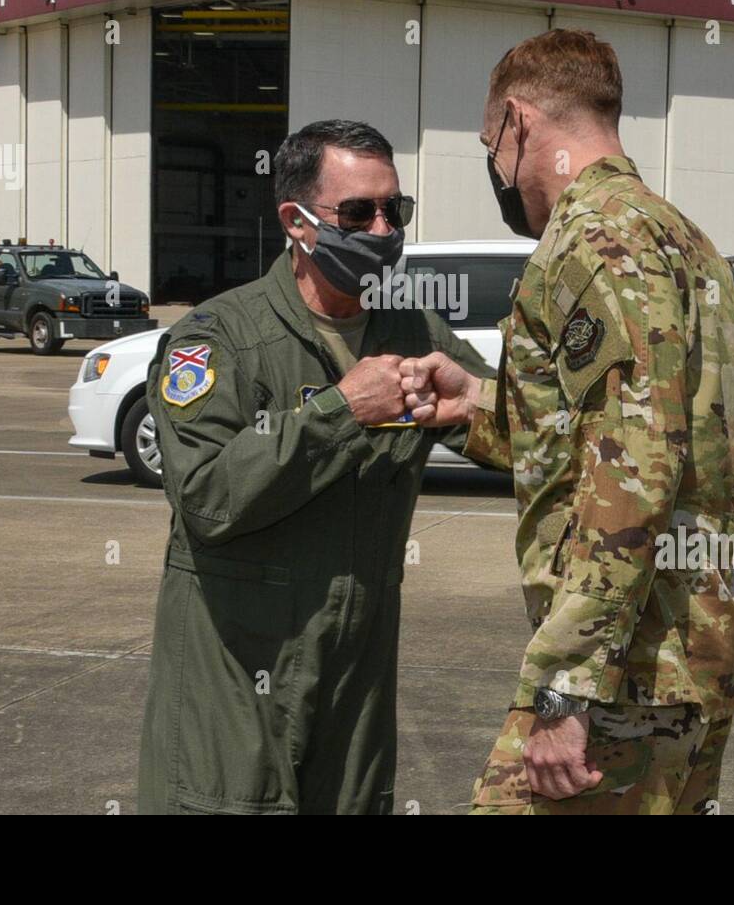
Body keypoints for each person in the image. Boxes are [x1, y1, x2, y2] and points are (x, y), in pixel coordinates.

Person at [400, 29, 734, 814]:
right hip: (679, 653)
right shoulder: (682, 236)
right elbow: (609, 430)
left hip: (624, 675)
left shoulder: (594, 242)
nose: (494, 167)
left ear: (518, 122)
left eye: (490, 144)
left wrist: (564, 693)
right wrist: (475, 404)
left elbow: (634, 470)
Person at [137, 119, 493, 815]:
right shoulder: (218, 342)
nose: (384, 230)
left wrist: (477, 402)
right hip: (236, 681)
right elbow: (208, 499)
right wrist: (340, 411)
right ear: (297, 224)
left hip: (354, 687)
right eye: (359, 212)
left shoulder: (412, 334)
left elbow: (530, 435)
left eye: (397, 210)